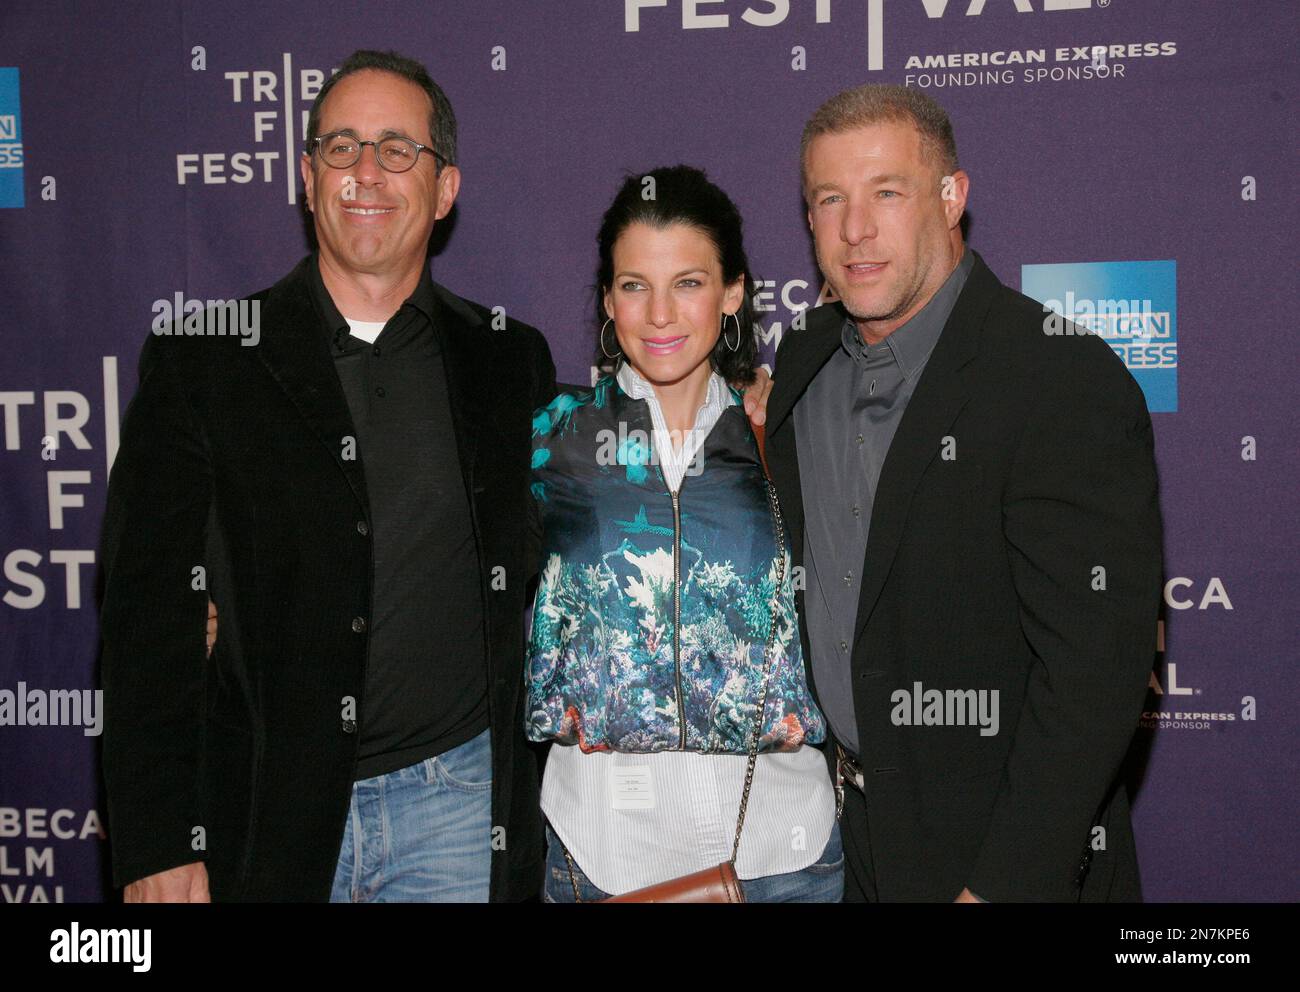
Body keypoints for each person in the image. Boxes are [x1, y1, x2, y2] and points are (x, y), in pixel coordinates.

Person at [99, 50, 556, 902]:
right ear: (308, 180)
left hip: (454, 816)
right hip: (265, 817)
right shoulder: (204, 362)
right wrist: (157, 839)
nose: (366, 173)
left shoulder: (508, 361)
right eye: (339, 149)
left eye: (396, 149)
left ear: (445, 187)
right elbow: (145, 620)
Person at [757, 84, 1163, 901]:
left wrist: (1001, 887)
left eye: (887, 193)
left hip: (996, 856)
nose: (855, 229)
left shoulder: (1058, 379)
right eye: (829, 199)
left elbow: (1093, 681)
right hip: (844, 845)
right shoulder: (803, 359)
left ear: (952, 198)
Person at [526, 166, 842, 902]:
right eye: (634, 285)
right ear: (608, 299)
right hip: (603, 852)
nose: (660, 313)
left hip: (780, 849)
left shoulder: (788, 430)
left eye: (690, 283)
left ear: (733, 293)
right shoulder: (551, 439)